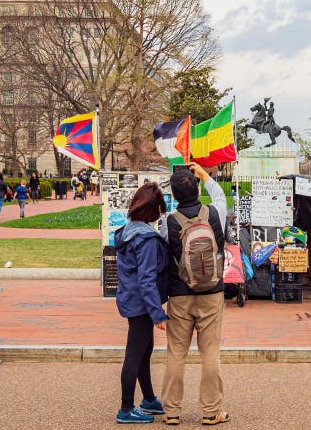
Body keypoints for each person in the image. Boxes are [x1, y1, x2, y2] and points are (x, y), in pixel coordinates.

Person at [161, 162, 230, 427]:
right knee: (210, 352)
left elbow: (167, 254)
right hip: (211, 291)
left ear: (174, 195)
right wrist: (203, 175)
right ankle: (212, 411)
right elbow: (221, 197)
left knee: (176, 352)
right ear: (198, 188)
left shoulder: (169, 221)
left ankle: (172, 412)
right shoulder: (214, 213)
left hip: (179, 293)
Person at [114, 182, 169, 424]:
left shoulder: (128, 231)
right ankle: (126, 408)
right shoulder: (146, 238)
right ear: (153, 208)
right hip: (142, 304)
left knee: (144, 352)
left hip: (131, 300)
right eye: (160, 207)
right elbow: (147, 279)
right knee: (134, 355)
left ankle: (148, 399)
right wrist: (157, 313)